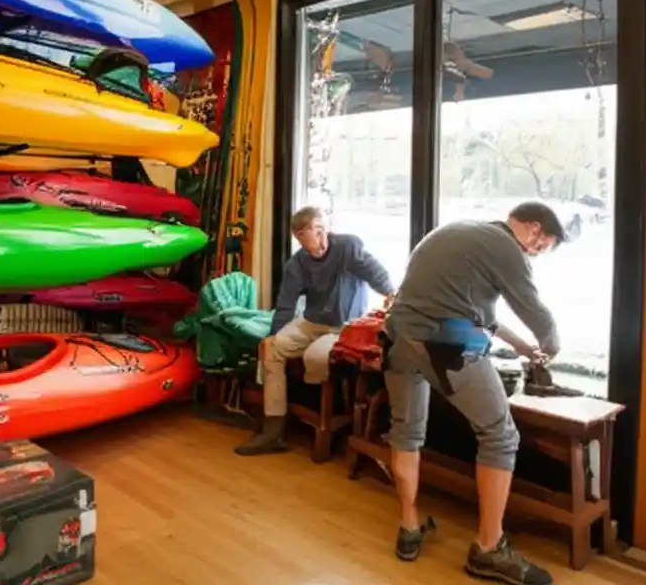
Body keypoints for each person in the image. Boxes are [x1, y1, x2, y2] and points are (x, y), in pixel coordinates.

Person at [382, 201, 566, 585]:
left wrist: (518, 345)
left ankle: (409, 527)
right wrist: (550, 346)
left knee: (406, 432)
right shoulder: (506, 248)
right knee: (500, 436)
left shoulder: (457, 232)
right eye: (543, 246)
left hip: (398, 340)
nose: (536, 253)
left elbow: (479, 312)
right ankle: (488, 548)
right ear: (535, 230)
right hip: (446, 346)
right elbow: (534, 310)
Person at [234, 206, 396, 456]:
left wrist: (390, 293)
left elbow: (374, 272)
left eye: (322, 234)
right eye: (312, 239)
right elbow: (286, 305)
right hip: (311, 321)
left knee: (314, 356)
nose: (320, 244)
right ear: (299, 237)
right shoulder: (296, 264)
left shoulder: (348, 247)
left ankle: (324, 425)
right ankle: (274, 430)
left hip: (345, 326)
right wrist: (272, 334)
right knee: (271, 349)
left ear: (326, 228)